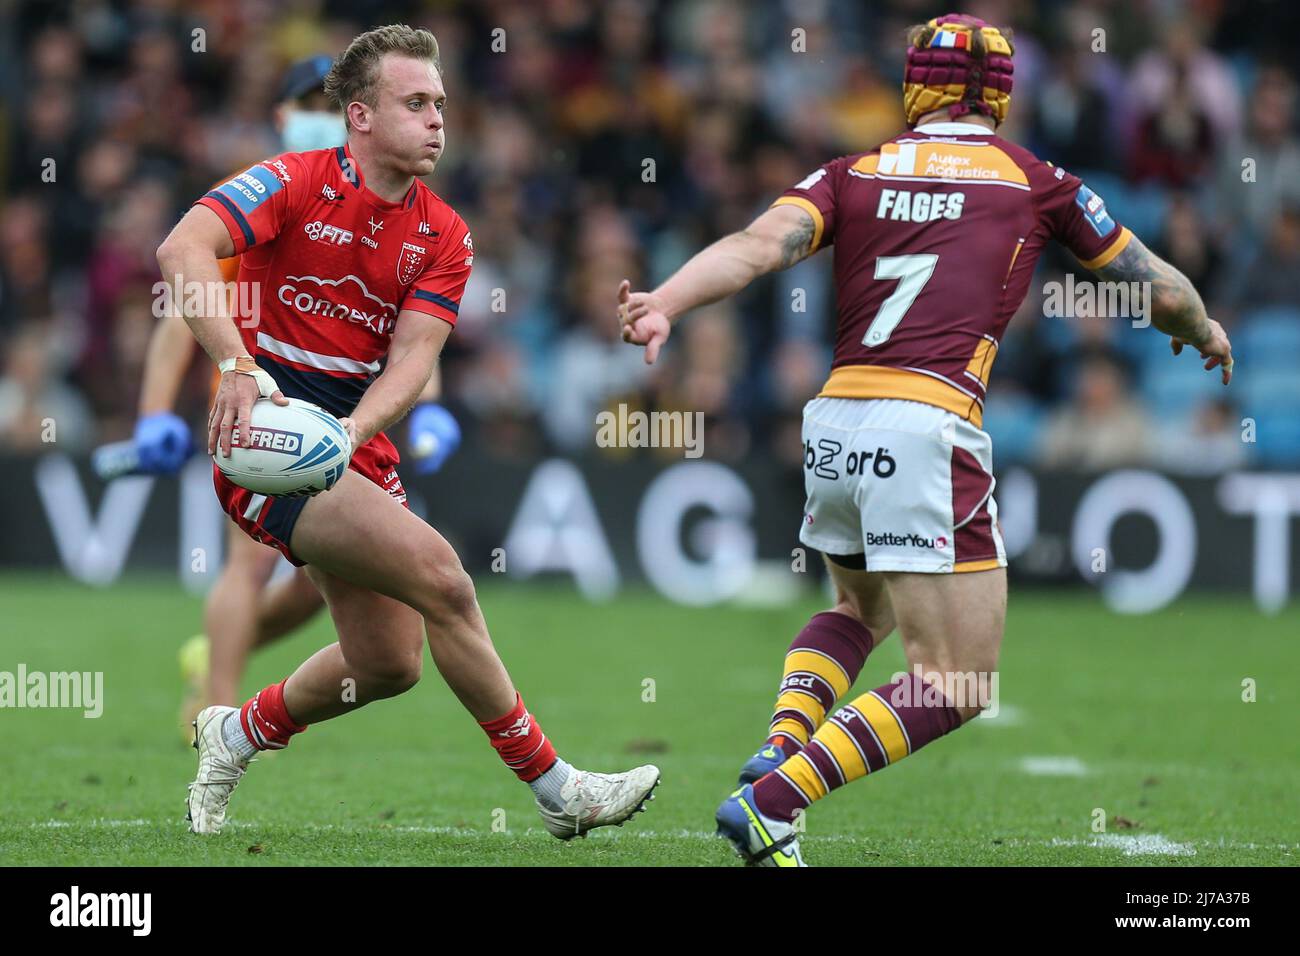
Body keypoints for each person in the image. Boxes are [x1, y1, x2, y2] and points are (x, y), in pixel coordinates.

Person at [618, 13, 1232, 866]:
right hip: (927, 425)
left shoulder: (853, 169)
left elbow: (760, 247)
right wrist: (1202, 328)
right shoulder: (1035, 180)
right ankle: (774, 801)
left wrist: (666, 303)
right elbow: (1153, 285)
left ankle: (781, 746)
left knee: (854, 611)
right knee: (957, 679)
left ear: (917, 85)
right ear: (1003, 96)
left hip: (835, 423)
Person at [159, 24, 659, 838]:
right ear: (360, 114)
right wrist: (239, 366)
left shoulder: (445, 235)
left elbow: (411, 365)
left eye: (441, 104)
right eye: (416, 103)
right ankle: (558, 789)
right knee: (447, 581)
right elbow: (181, 248)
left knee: (388, 664)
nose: (437, 121)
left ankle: (233, 731)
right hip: (265, 439)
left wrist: (352, 434)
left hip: (350, 443)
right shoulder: (291, 182)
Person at [132, 54, 462, 742]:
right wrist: (155, 411)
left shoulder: (392, 207)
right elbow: (178, 304)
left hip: (344, 420)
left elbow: (396, 333)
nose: (320, 113)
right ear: (283, 116)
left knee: (332, 595)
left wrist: (429, 403)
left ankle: (222, 658)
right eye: (306, 100)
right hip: (252, 408)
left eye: (327, 99)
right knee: (247, 563)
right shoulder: (266, 190)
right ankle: (215, 709)